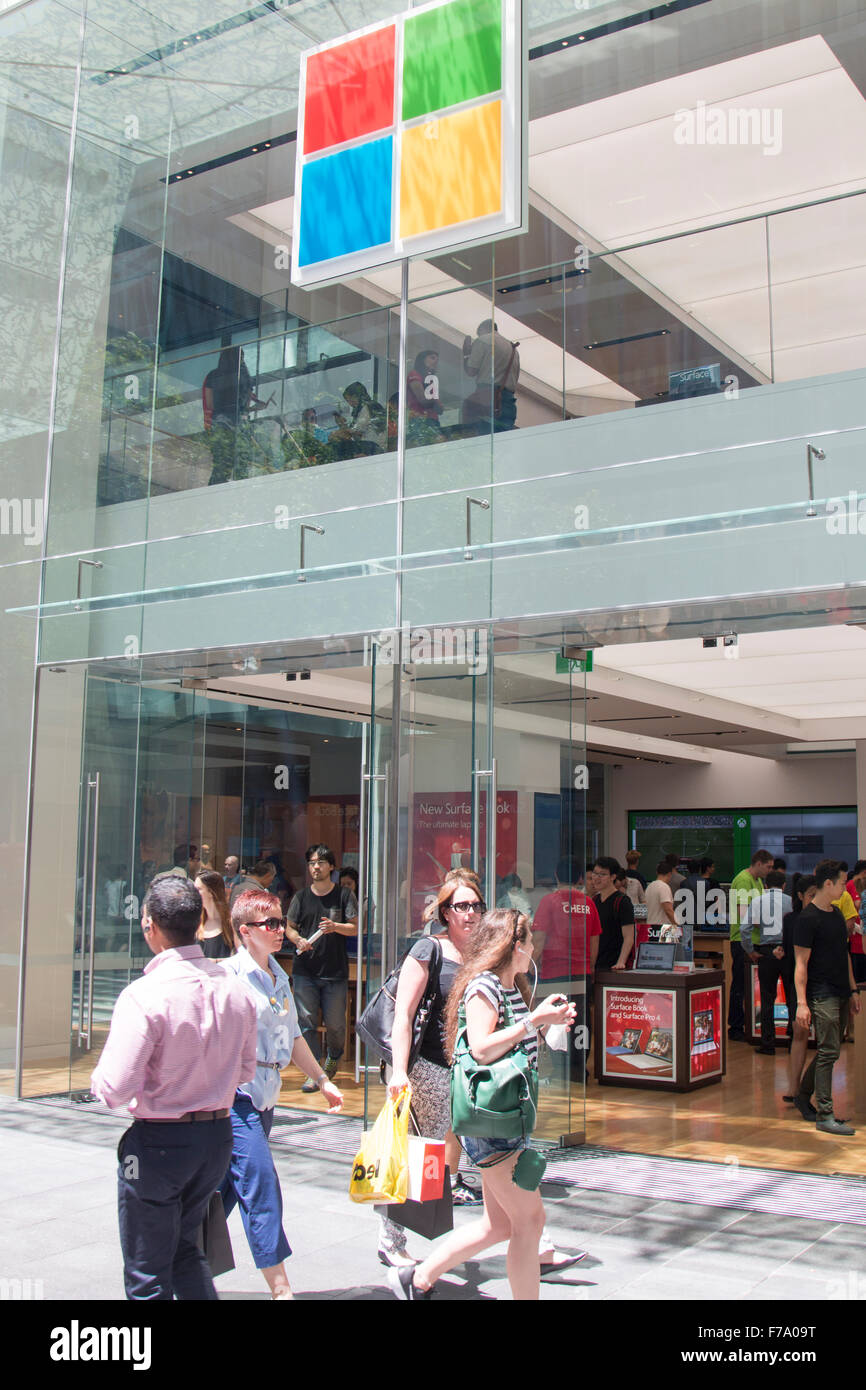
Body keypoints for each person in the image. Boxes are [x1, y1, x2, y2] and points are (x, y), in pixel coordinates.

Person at [388, 909, 576, 1301]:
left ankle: (418, 1278)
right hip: (491, 1123)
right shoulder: (484, 986)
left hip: (506, 1118)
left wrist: (546, 1021)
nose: (532, 948)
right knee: (530, 1220)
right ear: (511, 945)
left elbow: (512, 1044)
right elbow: (481, 1047)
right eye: (527, 940)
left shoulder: (509, 986)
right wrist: (533, 1021)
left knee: (499, 1225)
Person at [90, 876, 257, 1300]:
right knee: (186, 1250)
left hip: (158, 1143)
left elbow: (114, 1088)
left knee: (147, 1270)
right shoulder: (236, 991)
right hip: (217, 1138)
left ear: (150, 925)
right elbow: (245, 1071)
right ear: (200, 922)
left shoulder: (145, 995)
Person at [222, 889, 343, 1298]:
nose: (279, 930)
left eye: (279, 922)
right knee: (261, 1187)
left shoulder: (280, 976)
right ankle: (281, 1290)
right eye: (269, 924)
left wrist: (322, 1080)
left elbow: (293, 1037)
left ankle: (169, 1266)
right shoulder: (229, 978)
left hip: (266, 1098)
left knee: (216, 1197)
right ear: (245, 932)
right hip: (235, 1102)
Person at [380, 870, 486, 1268]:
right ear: (446, 911)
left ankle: (393, 1238)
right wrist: (400, 1071)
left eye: (476, 905)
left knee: (423, 1152)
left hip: (463, 1066)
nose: (470, 913)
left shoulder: (479, 953)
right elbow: (404, 1016)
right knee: (425, 1153)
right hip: (428, 1067)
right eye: (462, 906)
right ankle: (397, 1238)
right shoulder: (428, 950)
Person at [793, 859, 861, 1135]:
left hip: (841, 990)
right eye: (843, 883)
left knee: (829, 1051)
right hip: (822, 993)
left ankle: (802, 1096)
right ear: (828, 883)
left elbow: (843, 955)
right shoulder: (807, 919)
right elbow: (801, 964)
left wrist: (853, 989)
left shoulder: (835, 915)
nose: (846, 887)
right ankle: (825, 1112)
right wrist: (801, 1002)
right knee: (829, 1050)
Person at [284, 844, 358, 1092]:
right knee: (306, 1022)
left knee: (336, 1024)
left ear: (331, 867)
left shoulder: (344, 896)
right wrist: (297, 940)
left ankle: (333, 1058)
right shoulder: (300, 897)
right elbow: (290, 926)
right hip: (305, 970)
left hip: (334, 971)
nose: (316, 867)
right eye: (312, 863)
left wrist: (335, 927)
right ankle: (314, 1071)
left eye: (320, 863)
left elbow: (355, 927)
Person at [532, 858, 601, 1080]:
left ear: (556, 875)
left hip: (554, 974)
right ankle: (579, 1068)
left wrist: (530, 966)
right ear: (581, 878)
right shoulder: (589, 903)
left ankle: (560, 1067)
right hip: (581, 974)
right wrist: (589, 968)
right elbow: (594, 941)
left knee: (557, 1021)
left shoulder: (549, 902)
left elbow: (539, 940)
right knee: (581, 1021)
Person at [744, 869, 792, 1054]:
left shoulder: (757, 901)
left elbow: (744, 929)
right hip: (786, 951)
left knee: (766, 998)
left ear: (765, 885)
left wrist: (751, 951)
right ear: (784, 885)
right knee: (791, 996)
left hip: (766, 951)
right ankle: (793, 1039)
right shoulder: (790, 902)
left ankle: (767, 1043)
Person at [727, 849, 773, 1041]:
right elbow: (745, 912)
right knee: (739, 985)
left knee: (748, 986)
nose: (770, 871)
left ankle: (747, 1023)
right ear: (759, 863)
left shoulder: (759, 881)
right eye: (768, 866)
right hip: (741, 940)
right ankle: (735, 1026)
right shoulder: (744, 880)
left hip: (755, 939)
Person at [204, 346, 266, 486]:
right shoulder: (245, 378)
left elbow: (210, 404)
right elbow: (244, 408)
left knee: (221, 465)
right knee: (241, 464)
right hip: (239, 426)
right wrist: (256, 407)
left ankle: (212, 495)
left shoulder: (212, 375)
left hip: (219, 424)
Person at [782, 875, 816, 1106]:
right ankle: (794, 1087)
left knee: (824, 1041)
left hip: (820, 980)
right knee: (799, 1033)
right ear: (800, 896)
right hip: (799, 982)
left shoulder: (826, 916)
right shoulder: (792, 920)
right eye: (811, 895)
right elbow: (787, 951)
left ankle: (809, 1090)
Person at [461, 320, 520, 432]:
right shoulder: (513, 349)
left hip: (487, 399)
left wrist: (466, 355)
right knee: (502, 440)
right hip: (508, 401)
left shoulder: (483, 340)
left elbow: (471, 371)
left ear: (481, 330)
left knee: (483, 440)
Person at [592, 857, 635, 971]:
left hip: (612, 966)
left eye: (602, 874)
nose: (597, 878)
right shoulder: (594, 901)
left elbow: (629, 936)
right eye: (595, 873)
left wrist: (621, 962)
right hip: (595, 965)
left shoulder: (622, 901)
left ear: (613, 877)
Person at [330, 382, 387, 458]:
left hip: (374, 447)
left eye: (350, 400)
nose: (350, 404)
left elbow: (357, 429)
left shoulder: (367, 407)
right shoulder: (365, 407)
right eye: (348, 401)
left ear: (357, 396)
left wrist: (342, 428)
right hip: (373, 446)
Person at [195, 868, 236, 959]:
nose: (194, 893)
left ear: (211, 892)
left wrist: (215, 962)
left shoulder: (231, 923)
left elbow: (240, 959)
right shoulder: (196, 923)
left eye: (198, 889)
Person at [644, 861, 677, 947]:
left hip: (650, 928)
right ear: (670, 874)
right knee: (664, 956)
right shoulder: (664, 887)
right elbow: (668, 909)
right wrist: (678, 926)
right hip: (662, 928)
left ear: (657, 872)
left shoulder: (650, 886)